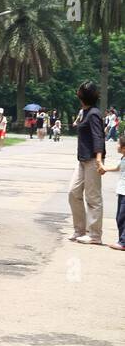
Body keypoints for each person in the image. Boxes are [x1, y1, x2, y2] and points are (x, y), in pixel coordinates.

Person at [68, 81, 105, 245]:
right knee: (73, 192)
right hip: (82, 159)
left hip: (92, 160)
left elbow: (98, 136)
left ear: (81, 95)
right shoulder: (84, 112)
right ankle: (80, 230)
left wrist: (98, 159)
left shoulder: (94, 113)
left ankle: (95, 235)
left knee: (93, 197)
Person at [100, 139, 125, 251]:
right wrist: (104, 168)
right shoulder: (123, 158)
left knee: (122, 217)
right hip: (121, 191)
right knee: (119, 217)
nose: (117, 145)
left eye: (118, 144)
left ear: (124, 148)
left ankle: (123, 242)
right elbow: (117, 168)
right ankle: (121, 240)